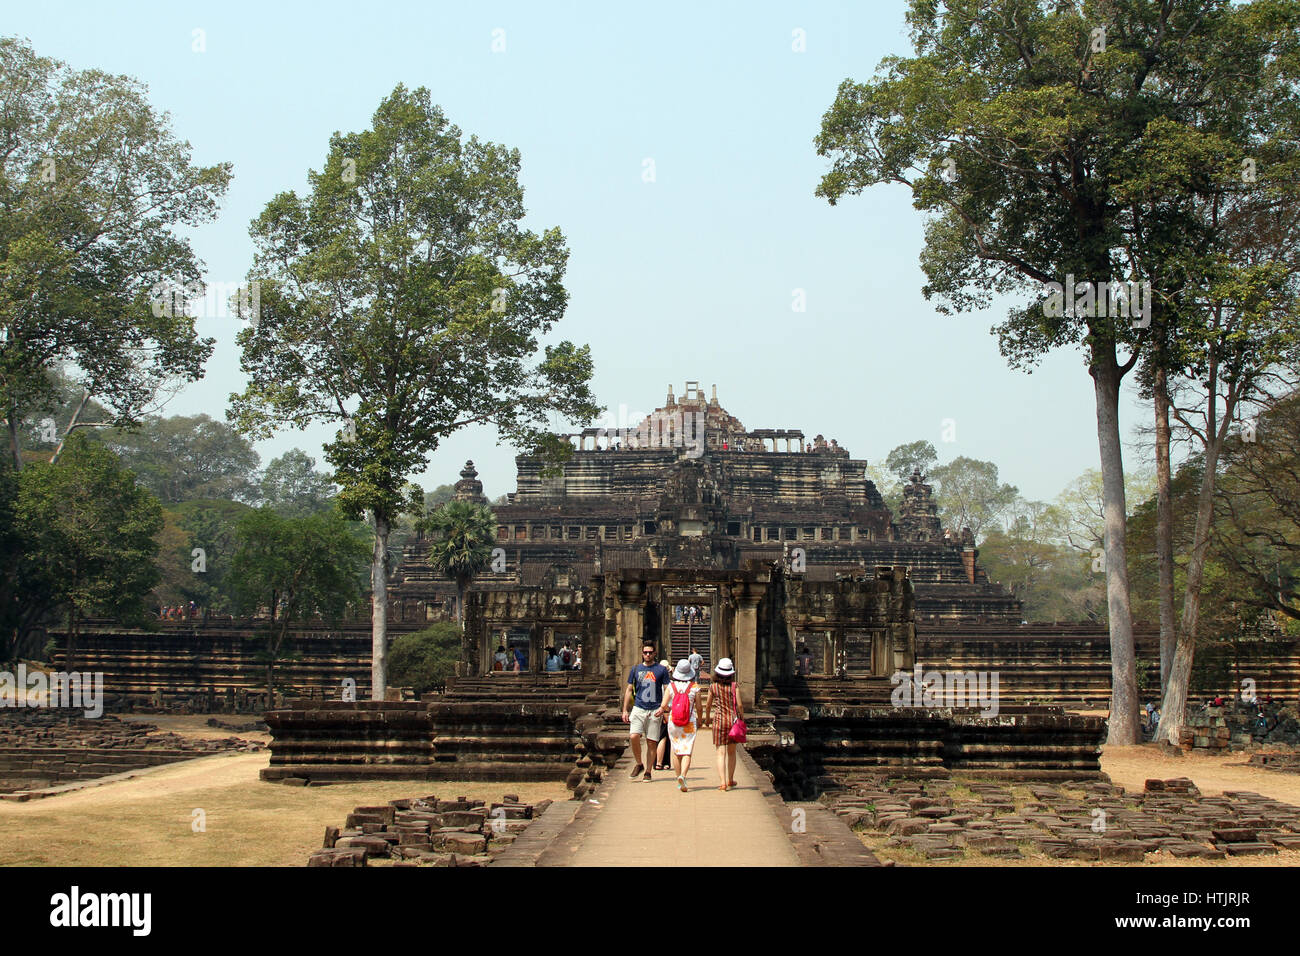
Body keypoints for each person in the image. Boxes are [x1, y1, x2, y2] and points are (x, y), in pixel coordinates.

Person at [622, 643, 669, 781]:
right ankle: (639, 763)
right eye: (645, 652)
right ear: (642, 653)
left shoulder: (661, 670)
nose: (647, 655)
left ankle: (648, 771)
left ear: (655, 653)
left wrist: (664, 707)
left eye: (650, 652)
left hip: (655, 709)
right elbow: (629, 689)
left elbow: (667, 689)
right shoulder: (635, 669)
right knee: (633, 736)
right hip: (638, 707)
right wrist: (625, 710)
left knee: (651, 742)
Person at [656, 659, 701, 792]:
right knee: (687, 751)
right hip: (689, 722)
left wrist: (660, 711)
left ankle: (678, 778)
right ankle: (683, 775)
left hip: (674, 721)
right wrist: (700, 720)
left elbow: (664, 705)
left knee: (676, 751)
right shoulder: (695, 687)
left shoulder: (671, 686)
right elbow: (699, 707)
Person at [703, 657, 743, 791]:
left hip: (719, 721)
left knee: (720, 753)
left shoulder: (713, 687)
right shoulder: (734, 686)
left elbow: (708, 705)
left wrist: (707, 718)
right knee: (731, 752)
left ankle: (722, 782)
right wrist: (741, 718)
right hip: (732, 721)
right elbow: (740, 705)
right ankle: (731, 779)